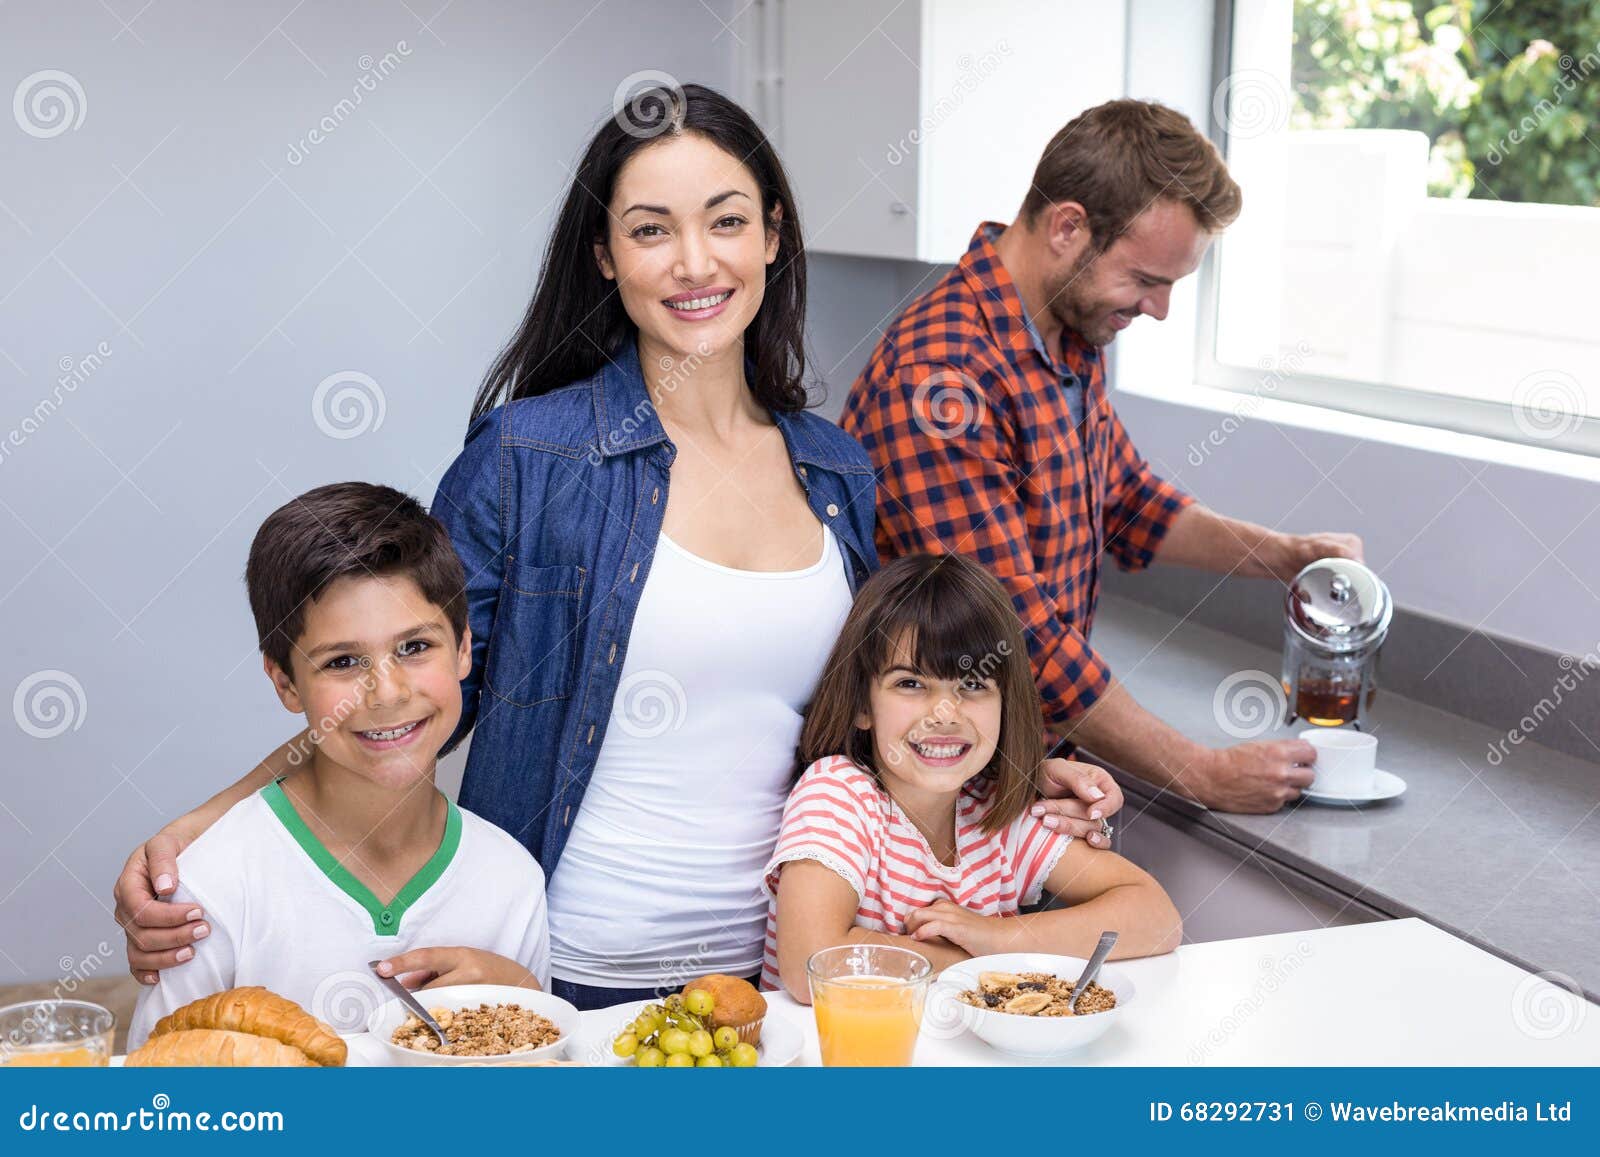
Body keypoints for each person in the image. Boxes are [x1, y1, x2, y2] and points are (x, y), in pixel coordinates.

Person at [111, 83, 1123, 1008]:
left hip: (788, 972)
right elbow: (406, 680)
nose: (696, 262)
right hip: (570, 965)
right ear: (604, 254)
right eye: (651, 230)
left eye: (726, 221)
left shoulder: (835, 471)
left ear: (771, 236)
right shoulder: (528, 455)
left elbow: (886, 704)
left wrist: (1022, 773)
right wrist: (215, 822)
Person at [844, 99, 1364, 815]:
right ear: (1067, 228)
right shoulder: (945, 374)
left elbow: (1127, 500)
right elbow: (1010, 634)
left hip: (1018, 764)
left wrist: (1283, 556)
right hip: (930, 788)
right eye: (1148, 280)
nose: (1159, 309)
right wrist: (1201, 772)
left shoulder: (1067, 333)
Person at [126, 483, 549, 1047]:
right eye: (343, 661)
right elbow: (157, 1104)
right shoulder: (213, 887)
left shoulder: (511, 880)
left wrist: (525, 1001)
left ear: (465, 647)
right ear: (285, 683)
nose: (386, 691)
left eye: (415, 647)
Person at [764, 553, 1181, 999]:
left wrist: (998, 937)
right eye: (910, 684)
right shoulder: (838, 793)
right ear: (864, 706)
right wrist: (973, 960)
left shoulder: (999, 815)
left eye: (973, 686)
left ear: (1006, 705)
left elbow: (1158, 919)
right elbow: (812, 964)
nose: (944, 714)